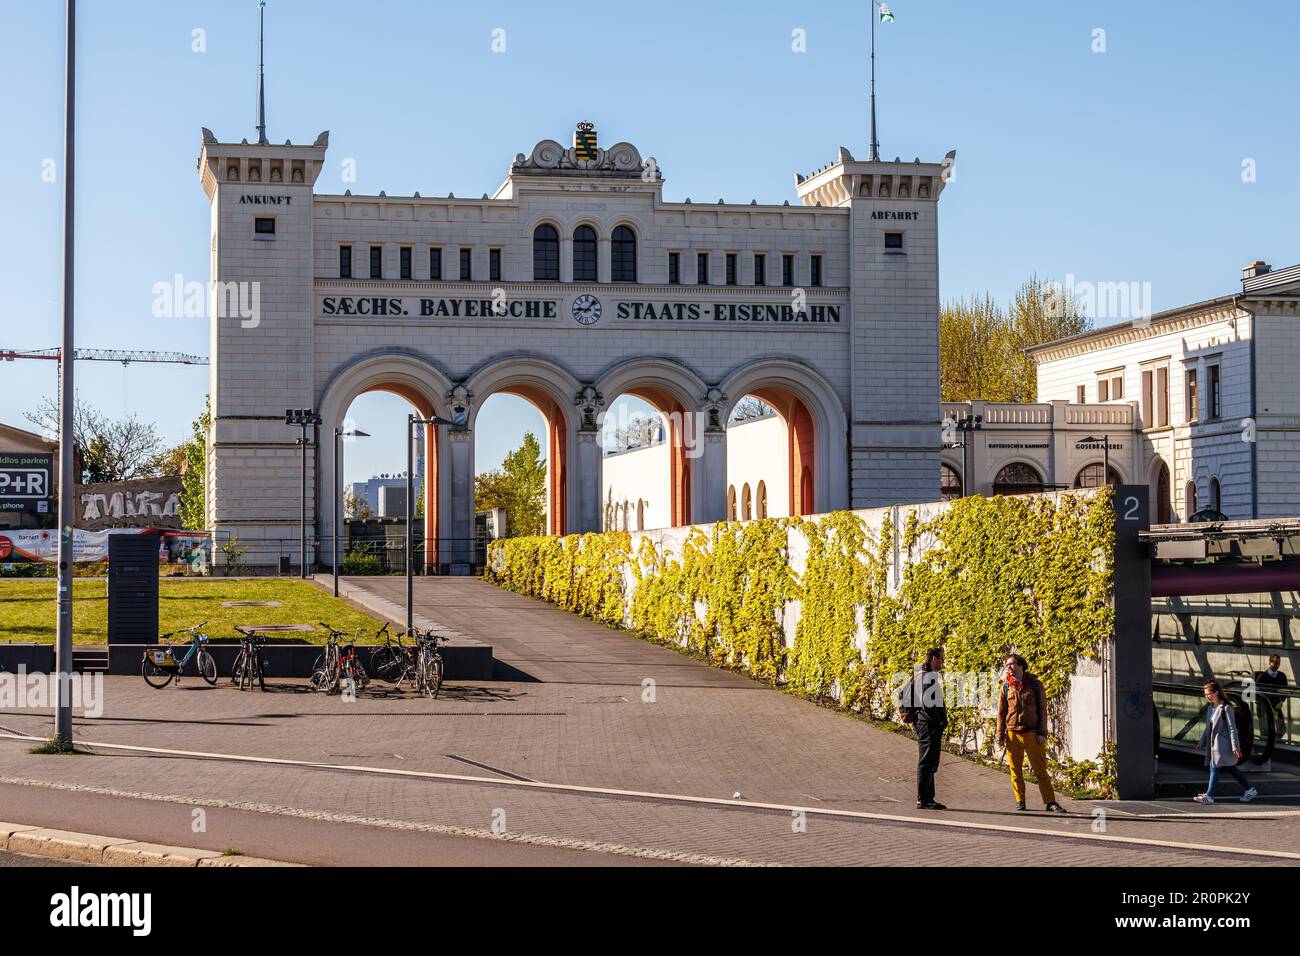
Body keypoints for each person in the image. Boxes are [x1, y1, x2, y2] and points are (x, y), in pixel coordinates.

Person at [996, 654, 1066, 812]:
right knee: (1015, 770)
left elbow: (1043, 710)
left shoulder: (1035, 685)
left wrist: (1042, 732)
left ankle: (1050, 802)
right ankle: (1020, 800)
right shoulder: (1005, 687)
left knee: (1041, 770)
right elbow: (1001, 713)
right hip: (1012, 734)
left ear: (1020, 665)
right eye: (1007, 665)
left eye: (1011, 664)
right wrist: (1000, 735)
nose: (1008, 668)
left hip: (1032, 734)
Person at [1194, 680, 1258, 804]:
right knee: (1230, 768)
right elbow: (1209, 727)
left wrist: (1235, 747)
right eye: (1205, 694)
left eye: (1209, 693)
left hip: (1223, 745)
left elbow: (1232, 728)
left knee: (1215, 768)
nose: (1207, 696)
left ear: (1216, 692)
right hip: (1214, 746)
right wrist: (1202, 741)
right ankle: (1249, 789)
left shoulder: (1226, 707)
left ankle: (1209, 796)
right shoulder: (1210, 708)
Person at [903, 648, 948, 810]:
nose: (943, 662)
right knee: (926, 761)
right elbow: (927, 705)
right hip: (927, 724)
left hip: (926, 723)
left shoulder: (924, 675)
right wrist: (940, 722)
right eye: (941, 658)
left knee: (929, 761)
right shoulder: (926, 677)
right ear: (934, 658)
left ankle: (928, 797)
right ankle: (923, 799)